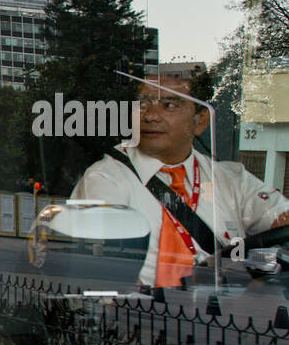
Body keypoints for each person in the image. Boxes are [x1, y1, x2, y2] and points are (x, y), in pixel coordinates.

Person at [71, 74, 289, 289]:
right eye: (142, 103)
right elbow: (108, 273)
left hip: (228, 311)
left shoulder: (230, 178)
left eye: (169, 105)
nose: (150, 116)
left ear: (200, 121)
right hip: (159, 314)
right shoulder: (106, 179)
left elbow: (281, 219)